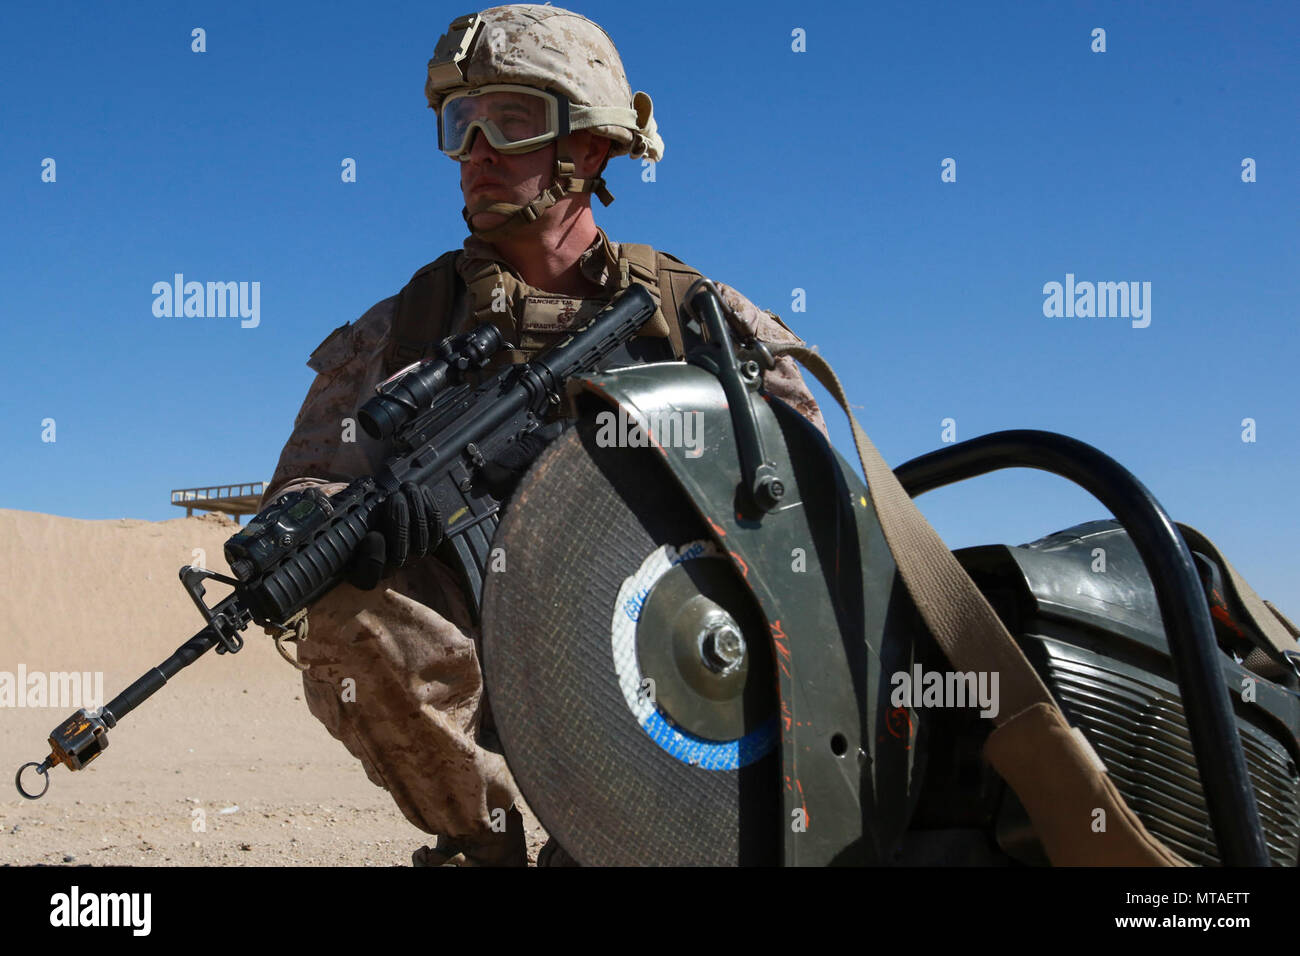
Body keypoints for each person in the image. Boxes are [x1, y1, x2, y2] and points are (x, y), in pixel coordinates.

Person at [260, 3, 828, 866]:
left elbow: (816, 501)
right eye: (462, 122)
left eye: (511, 120)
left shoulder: (691, 317)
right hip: (493, 649)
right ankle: (483, 845)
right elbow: (301, 490)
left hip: (677, 644)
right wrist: (350, 526)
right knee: (338, 610)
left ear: (591, 147)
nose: (478, 148)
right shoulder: (405, 331)